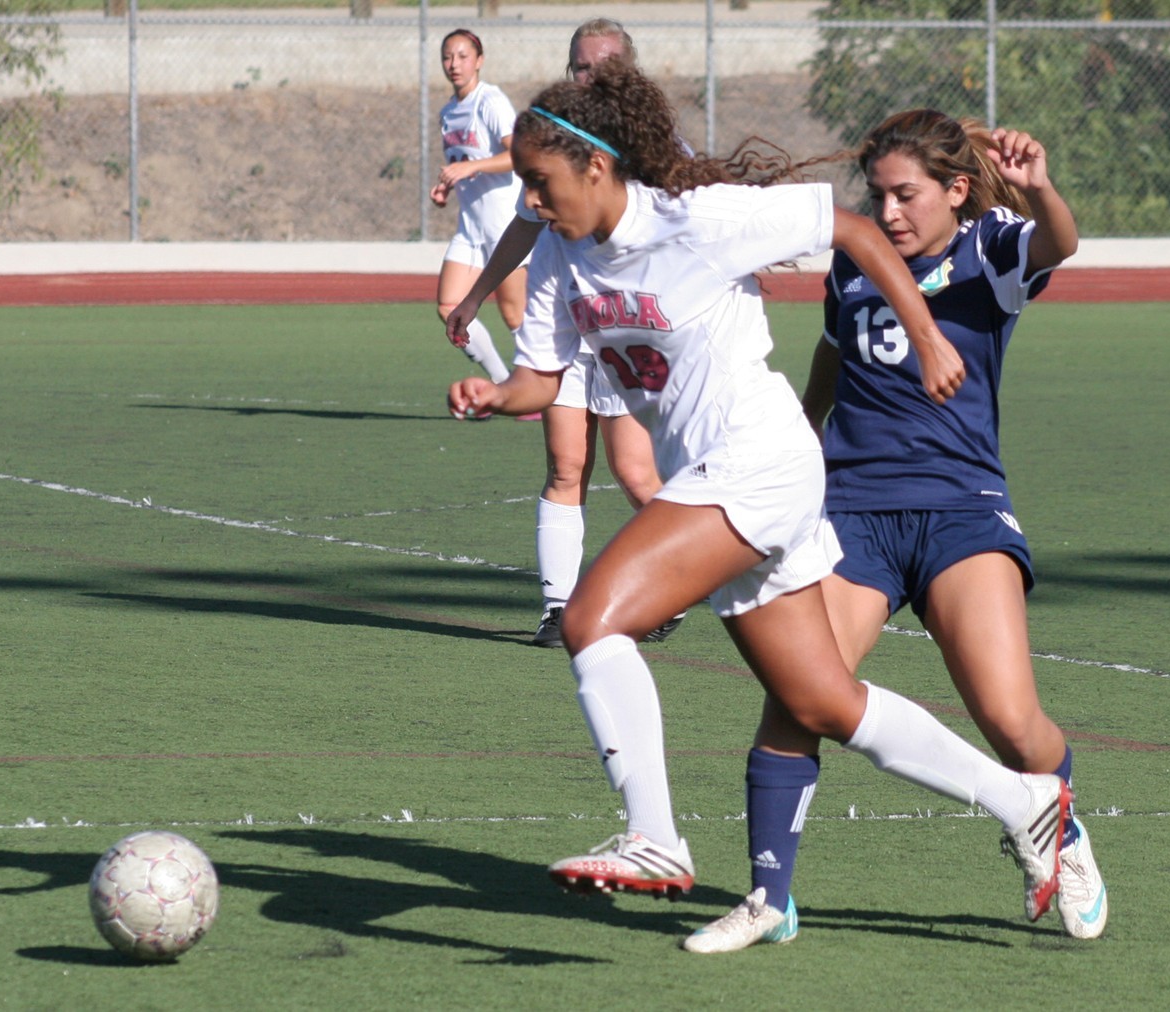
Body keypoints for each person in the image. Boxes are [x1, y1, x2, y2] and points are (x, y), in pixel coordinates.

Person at [446, 60, 1074, 943]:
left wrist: (928, 336)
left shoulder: (697, 219)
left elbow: (851, 229)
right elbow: (539, 378)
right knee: (822, 701)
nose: (531, 204)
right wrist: (493, 397)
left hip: (763, 463)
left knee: (593, 618)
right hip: (714, 481)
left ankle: (655, 837)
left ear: (596, 167)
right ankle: (1022, 803)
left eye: (541, 184)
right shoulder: (556, 255)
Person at [682, 109, 1107, 955]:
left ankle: (1062, 837)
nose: (890, 214)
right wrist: (802, 430)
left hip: (960, 510)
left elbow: (1058, 243)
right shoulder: (855, 257)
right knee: (802, 695)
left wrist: (1042, 191)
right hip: (850, 515)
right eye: (877, 196)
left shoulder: (989, 249)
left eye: (907, 195)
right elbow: (834, 353)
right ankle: (770, 898)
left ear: (955, 191)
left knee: (1013, 722)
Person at [445, 19, 685, 647]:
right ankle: (557, 608)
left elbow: (693, 222)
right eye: (580, 66)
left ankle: (675, 586)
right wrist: (473, 297)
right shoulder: (553, 141)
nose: (589, 76)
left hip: (628, 327)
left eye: (603, 66)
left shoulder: (655, 147)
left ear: (628, 71)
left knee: (635, 474)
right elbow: (524, 227)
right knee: (565, 463)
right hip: (567, 325)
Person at [431, 28, 526, 392]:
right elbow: (463, 161)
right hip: (470, 227)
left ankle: (543, 389)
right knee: (449, 306)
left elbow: (518, 154)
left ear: (479, 61)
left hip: (504, 224)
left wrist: (469, 168)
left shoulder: (491, 100)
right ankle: (504, 384)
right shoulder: (448, 112)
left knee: (514, 314)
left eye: (462, 56)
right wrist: (447, 184)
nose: (453, 64)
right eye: (447, 57)